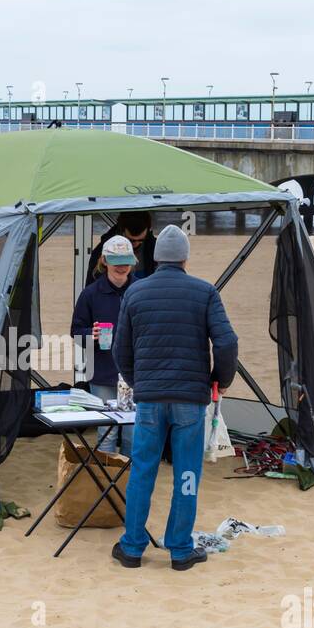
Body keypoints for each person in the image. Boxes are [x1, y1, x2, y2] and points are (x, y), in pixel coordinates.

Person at [111, 225, 238, 572]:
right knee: (186, 474)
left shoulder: (134, 294)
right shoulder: (204, 292)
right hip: (190, 401)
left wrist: (141, 383)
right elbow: (227, 343)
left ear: (154, 258)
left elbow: (120, 351)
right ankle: (180, 550)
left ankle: (133, 547)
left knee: (142, 472)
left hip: (150, 401)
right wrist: (219, 380)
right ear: (185, 258)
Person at [71, 236, 137, 454]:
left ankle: (129, 483)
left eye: (126, 260)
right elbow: (76, 332)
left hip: (135, 375)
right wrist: (92, 334)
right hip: (102, 374)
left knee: (132, 433)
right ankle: (107, 479)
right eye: (116, 260)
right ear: (104, 261)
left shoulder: (141, 290)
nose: (122, 266)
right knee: (106, 433)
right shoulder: (90, 294)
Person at [84, 211, 157, 286]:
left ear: (148, 231)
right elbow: (92, 281)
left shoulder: (154, 247)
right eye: (131, 240)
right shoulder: (103, 249)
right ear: (122, 230)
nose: (136, 244)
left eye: (141, 240)